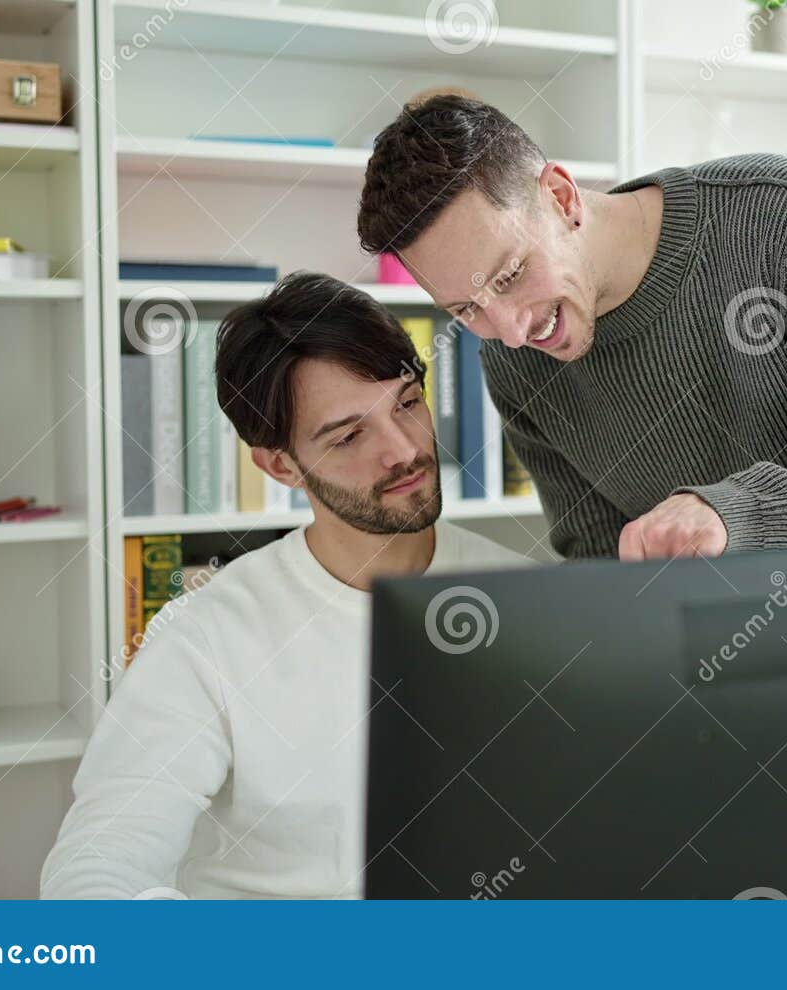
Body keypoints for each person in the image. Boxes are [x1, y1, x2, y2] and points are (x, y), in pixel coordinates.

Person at [41, 273, 530, 899]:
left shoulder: (525, 595)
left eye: (407, 403)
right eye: (350, 435)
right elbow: (93, 871)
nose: (404, 450)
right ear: (281, 464)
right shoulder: (206, 637)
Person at [357, 96, 787, 562]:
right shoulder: (514, 361)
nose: (512, 331)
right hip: (720, 688)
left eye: (512, 274)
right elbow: (599, 565)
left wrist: (732, 515)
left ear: (562, 197)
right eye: (466, 310)